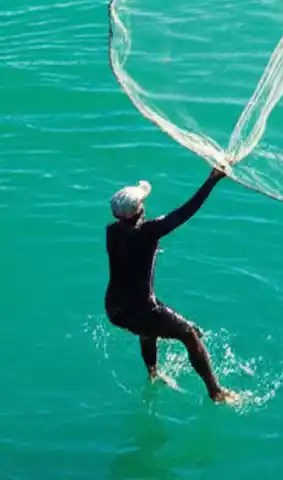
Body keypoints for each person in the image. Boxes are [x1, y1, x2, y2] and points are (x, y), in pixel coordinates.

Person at [104, 166, 236, 403]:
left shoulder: (112, 233)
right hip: (142, 308)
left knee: (146, 329)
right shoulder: (148, 232)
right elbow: (186, 212)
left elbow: (133, 251)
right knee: (190, 334)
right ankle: (216, 392)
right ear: (138, 211)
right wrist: (212, 180)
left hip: (115, 309)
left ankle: (152, 373)